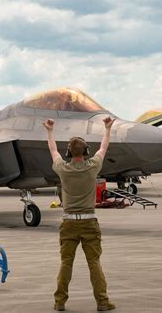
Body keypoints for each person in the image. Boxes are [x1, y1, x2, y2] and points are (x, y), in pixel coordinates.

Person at [43, 116, 116, 312]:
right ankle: (102, 302)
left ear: (68, 152)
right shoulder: (93, 167)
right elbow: (103, 148)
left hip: (68, 224)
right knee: (94, 263)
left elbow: (53, 150)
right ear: (86, 152)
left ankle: (60, 302)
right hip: (89, 222)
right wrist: (107, 128)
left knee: (66, 263)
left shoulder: (63, 169)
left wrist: (49, 131)